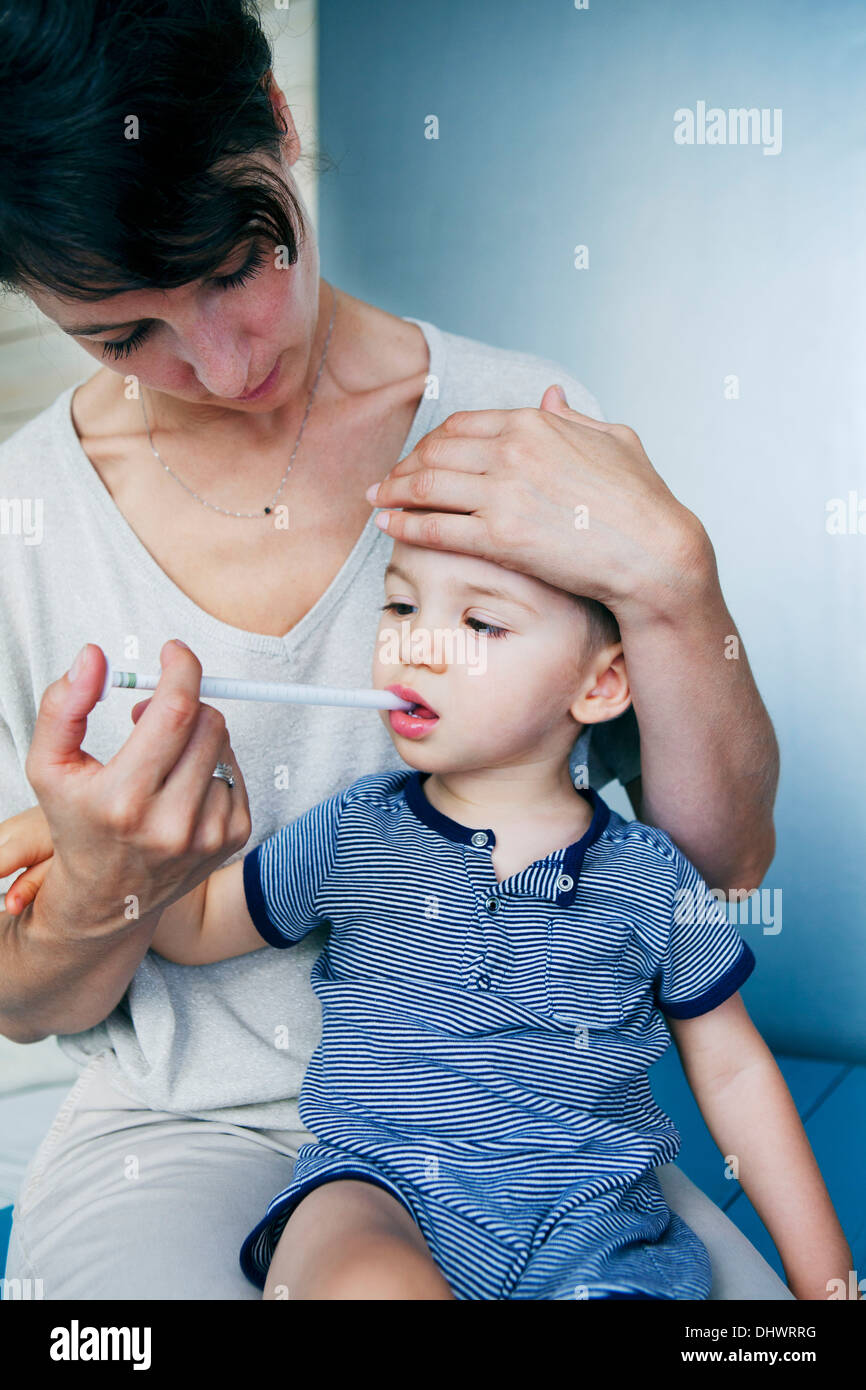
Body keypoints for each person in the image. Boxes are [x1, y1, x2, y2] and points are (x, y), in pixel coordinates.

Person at [0, 0, 782, 1299]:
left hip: (531, 1128)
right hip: (181, 1137)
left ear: (280, 124)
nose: (220, 360)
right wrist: (108, 882)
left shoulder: (526, 429)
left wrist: (674, 580)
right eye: (122, 334)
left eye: (233, 261)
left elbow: (714, 868)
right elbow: (27, 1002)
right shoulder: (20, 528)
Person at [140, 536, 851, 1301]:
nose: (418, 644)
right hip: (377, 1191)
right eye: (402, 605)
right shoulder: (353, 832)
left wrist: (828, 1284)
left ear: (602, 684)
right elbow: (195, 927)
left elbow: (737, 1071)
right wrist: (136, 837)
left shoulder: (653, 876)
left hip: (594, 1229)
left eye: (481, 623)